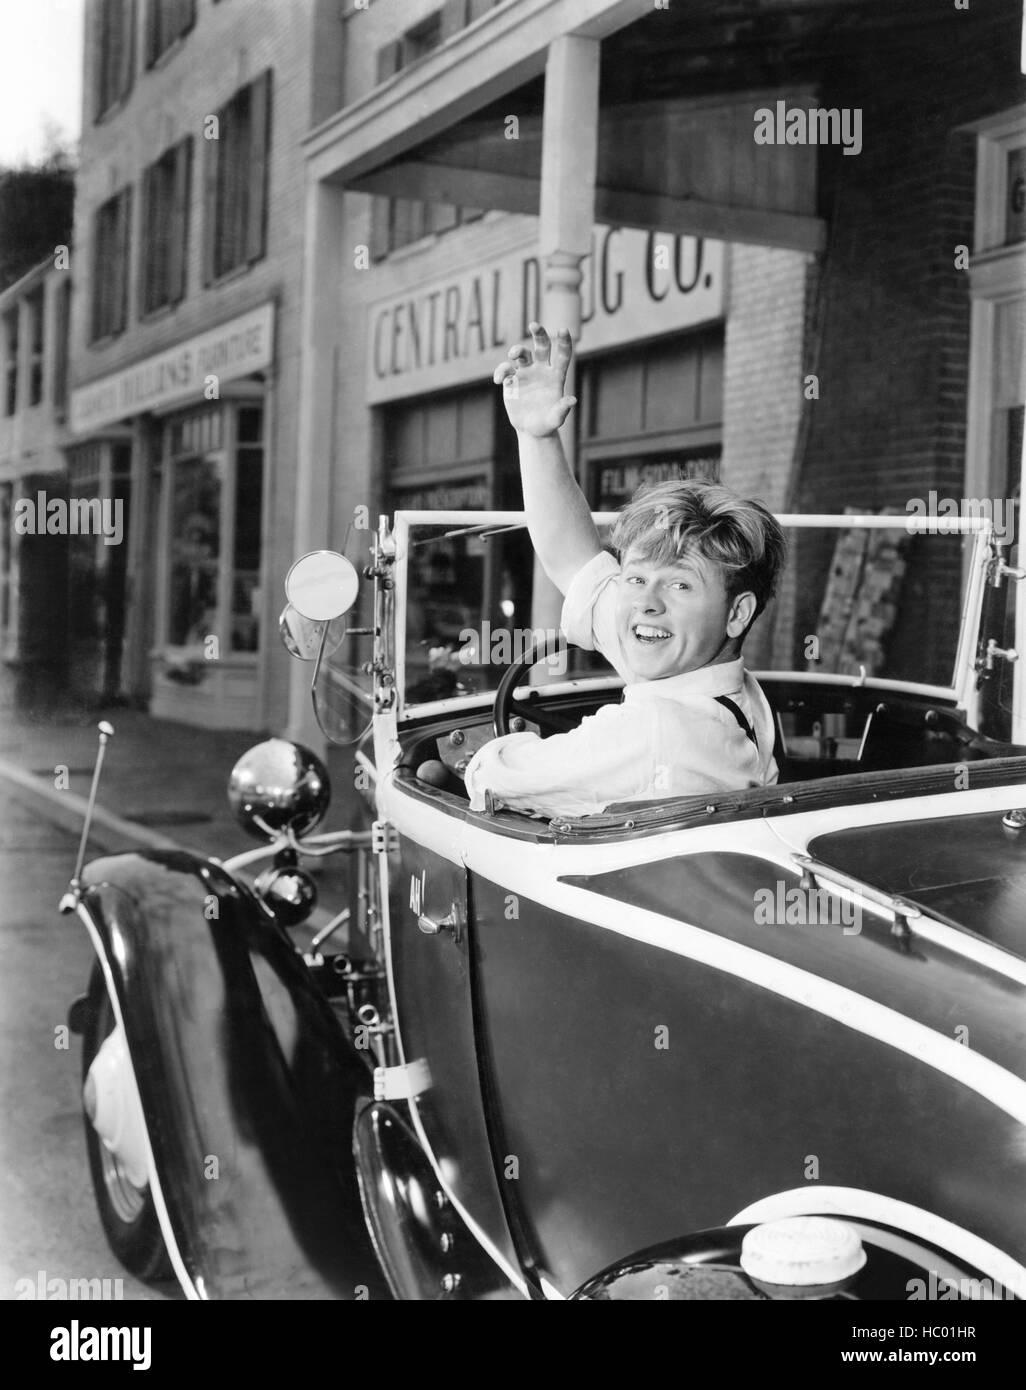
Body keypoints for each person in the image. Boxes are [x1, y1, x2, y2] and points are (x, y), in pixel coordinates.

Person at [462, 322, 787, 818]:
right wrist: (536, 435)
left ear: (738, 613)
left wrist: (482, 755)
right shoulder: (717, 678)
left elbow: (499, 780)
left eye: (679, 584)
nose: (645, 602)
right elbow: (577, 566)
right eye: (636, 579)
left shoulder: (654, 732)